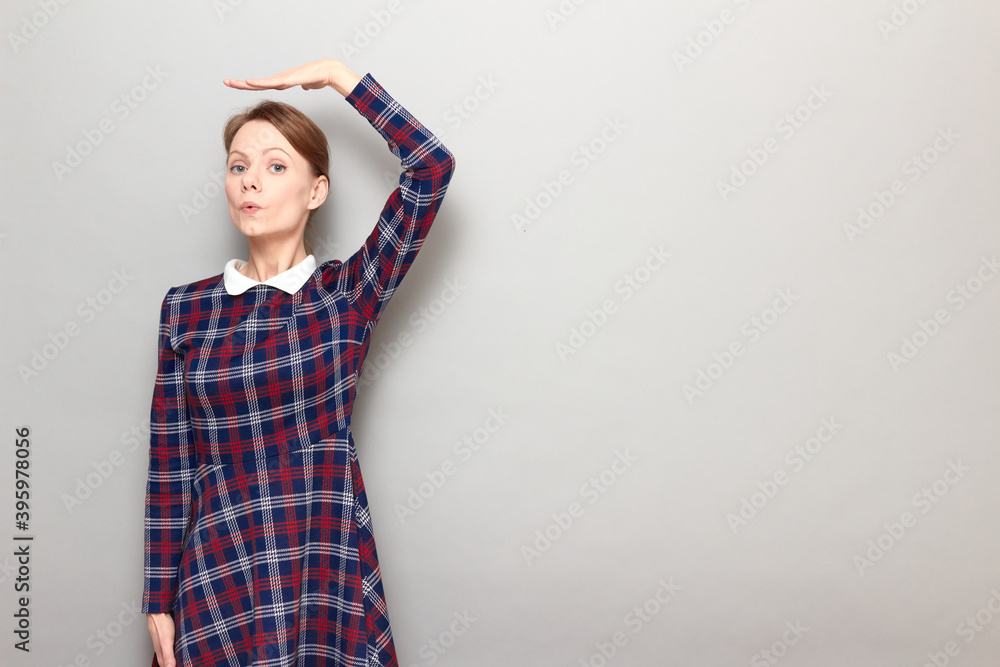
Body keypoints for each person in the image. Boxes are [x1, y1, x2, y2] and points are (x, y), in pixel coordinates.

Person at [141, 58, 456, 667]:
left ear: (316, 191)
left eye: (274, 165)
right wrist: (158, 596)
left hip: (322, 556)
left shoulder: (346, 295)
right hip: (217, 566)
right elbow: (169, 460)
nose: (249, 181)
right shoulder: (186, 309)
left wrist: (341, 79)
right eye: (238, 167)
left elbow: (431, 168)